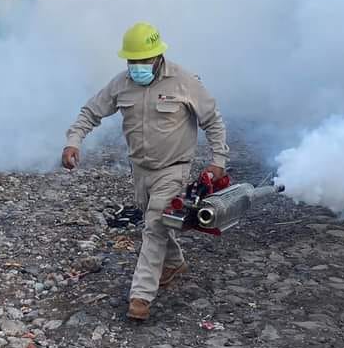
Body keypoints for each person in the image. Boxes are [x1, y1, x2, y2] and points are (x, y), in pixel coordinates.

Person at [61, 22, 229, 321]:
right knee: (162, 223)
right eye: (132, 61)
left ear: (158, 57)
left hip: (174, 169)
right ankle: (175, 263)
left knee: (153, 227)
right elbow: (91, 112)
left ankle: (141, 296)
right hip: (140, 169)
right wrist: (73, 142)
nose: (137, 66)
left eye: (143, 61)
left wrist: (218, 160)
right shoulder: (121, 83)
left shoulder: (184, 81)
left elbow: (212, 121)